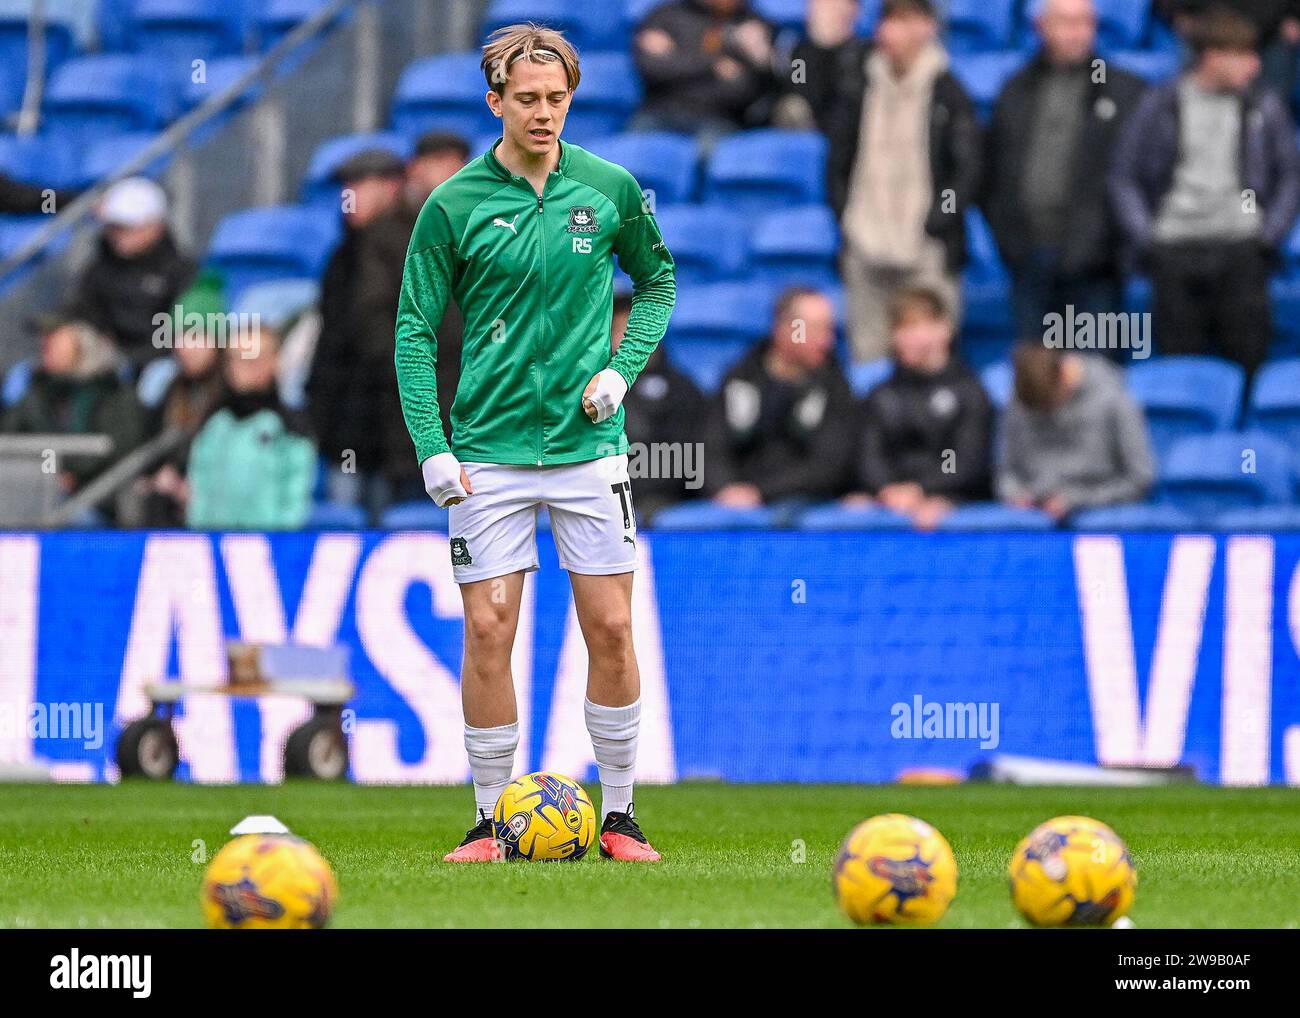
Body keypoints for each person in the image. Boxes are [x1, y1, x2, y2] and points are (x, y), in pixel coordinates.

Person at [395, 25, 676, 862]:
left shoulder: (611, 188)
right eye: (527, 100)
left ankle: (620, 815)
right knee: (488, 628)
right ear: (496, 102)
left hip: (591, 450)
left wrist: (621, 370)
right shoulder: (454, 205)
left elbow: (657, 282)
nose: (544, 113)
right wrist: (431, 443)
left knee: (613, 627)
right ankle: (487, 822)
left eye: (557, 99)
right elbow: (414, 330)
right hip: (487, 448)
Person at [1110, 7, 1300, 377]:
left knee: (1248, 364)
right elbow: (1125, 175)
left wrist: (1266, 233)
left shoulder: (1264, 105)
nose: (1254, 67)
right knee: (1180, 367)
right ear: (1212, 57)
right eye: (1243, 56)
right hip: (1175, 250)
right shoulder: (1160, 104)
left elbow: (1290, 176)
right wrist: (1148, 236)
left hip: (1242, 250)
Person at [813, 0, 982, 362]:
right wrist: (847, 215)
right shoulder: (856, 85)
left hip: (926, 250)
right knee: (868, 357)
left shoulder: (950, 94)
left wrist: (937, 220)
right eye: (888, 20)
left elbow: (966, 170)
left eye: (904, 21)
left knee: (930, 361)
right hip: (865, 242)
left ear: (927, 27)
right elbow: (836, 158)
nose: (891, 32)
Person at [983, 0, 1147, 344]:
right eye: (1066, 23)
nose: (1077, 33)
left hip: (1097, 265)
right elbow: (992, 172)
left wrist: (1111, 242)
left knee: (1095, 372)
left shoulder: (1124, 90)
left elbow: (1141, 173)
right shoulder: (1015, 89)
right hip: (1028, 258)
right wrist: (1008, 239)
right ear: (1040, 27)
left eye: (1084, 23)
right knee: (1034, 375)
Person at [353, 133, 470, 470]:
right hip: (403, 416)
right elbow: (371, 322)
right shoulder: (386, 237)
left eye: (454, 165)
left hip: (473, 411)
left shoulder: (483, 230)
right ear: (414, 170)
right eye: (437, 165)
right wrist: (412, 375)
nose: (447, 175)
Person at [306, 148, 408, 516]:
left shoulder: (413, 248)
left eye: (362, 185)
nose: (350, 196)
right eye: (347, 186)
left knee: (396, 523)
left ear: (393, 187)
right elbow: (329, 344)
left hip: (394, 426)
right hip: (344, 425)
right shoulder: (340, 258)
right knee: (340, 522)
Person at [844, 288, 992, 530]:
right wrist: (887, 489)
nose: (905, 338)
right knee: (852, 510)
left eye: (914, 328)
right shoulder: (881, 395)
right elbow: (869, 456)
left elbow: (965, 463)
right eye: (900, 329)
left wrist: (924, 490)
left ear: (943, 329)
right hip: (891, 497)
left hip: (952, 496)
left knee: (934, 514)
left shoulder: (970, 394)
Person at [706, 287, 855, 507]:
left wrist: (760, 493)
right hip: (737, 503)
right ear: (785, 329)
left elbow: (829, 466)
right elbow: (711, 446)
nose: (827, 341)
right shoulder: (741, 377)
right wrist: (724, 487)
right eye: (815, 330)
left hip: (800, 504)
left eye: (829, 331)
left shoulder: (835, 387)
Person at [997, 342, 1156, 520]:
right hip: (1034, 510)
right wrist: (1015, 494)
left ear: (1064, 376)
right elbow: (1006, 473)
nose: (1046, 415)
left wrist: (1077, 499)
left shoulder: (1113, 398)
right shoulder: (1022, 400)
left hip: (1095, 509)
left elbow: (1139, 479)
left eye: (1049, 406)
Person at [186, 329, 316, 530]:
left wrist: (279, 542)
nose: (237, 367)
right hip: (214, 544)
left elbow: (296, 499)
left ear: (273, 361)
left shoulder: (290, 429)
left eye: (249, 358)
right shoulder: (215, 424)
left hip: (270, 546)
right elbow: (198, 490)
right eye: (232, 359)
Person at [2, 316, 145, 499]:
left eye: (54, 337)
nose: (45, 344)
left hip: (98, 503)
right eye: (44, 338)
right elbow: (9, 437)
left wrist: (74, 476)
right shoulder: (37, 392)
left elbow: (123, 451)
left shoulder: (113, 394)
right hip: (38, 496)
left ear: (82, 343)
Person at [65, 177, 197, 367]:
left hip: (159, 364)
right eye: (113, 226)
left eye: (126, 227)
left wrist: (129, 359)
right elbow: (82, 311)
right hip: (107, 364)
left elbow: (179, 334)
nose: (117, 235)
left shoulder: (181, 271)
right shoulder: (100, 267)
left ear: (155, 226)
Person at [615, 291, 708, 521]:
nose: (632, 340)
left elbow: (693, 461)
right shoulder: (587, 388)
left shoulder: (684, 392)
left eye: (639, 330)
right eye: (622, 332)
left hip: (666, 503)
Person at [630, 0, 777, 143]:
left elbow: (744, 91)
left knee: (714, 153)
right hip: (660, 111)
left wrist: (677, 56)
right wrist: (713, 63)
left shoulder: (753, 25)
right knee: (632, 149)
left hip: (717, 118)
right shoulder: (665, 15)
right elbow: (652, 70)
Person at [773, 0, 870, 132]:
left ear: (853, 10)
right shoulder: (800, 54)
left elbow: (852, 100)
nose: (823, 9)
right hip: (813, 133)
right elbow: (799, 92)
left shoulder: (866, 54)